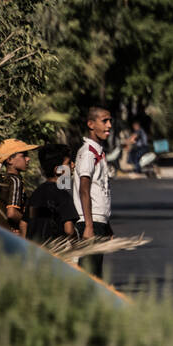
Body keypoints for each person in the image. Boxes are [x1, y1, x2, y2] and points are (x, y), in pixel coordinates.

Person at [73, 106, 114, 277]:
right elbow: (84, 190)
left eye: (110, 121)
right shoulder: (88, 153)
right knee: (89, 274)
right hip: (90, 222)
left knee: (96, 274)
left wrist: (107, 226)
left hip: (99, 222)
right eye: (104, 121)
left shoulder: (99, 152)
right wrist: (89, 226)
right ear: (91, 124)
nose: (109, 125)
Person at [27, 144, 78, 244]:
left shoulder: (36, 193)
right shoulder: (63, 195)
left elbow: (24, 224)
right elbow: (69, 230)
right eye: (68, 163)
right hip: (55, 252)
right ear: (57, 170)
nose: (73, 165)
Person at [0, 139, 39, 237]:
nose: (28, 159)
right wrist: (29, 223)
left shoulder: (2, 180)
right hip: (11, 236)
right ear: (9, 160)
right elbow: (12, 213)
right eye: (23, 155)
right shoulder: (15, 181)